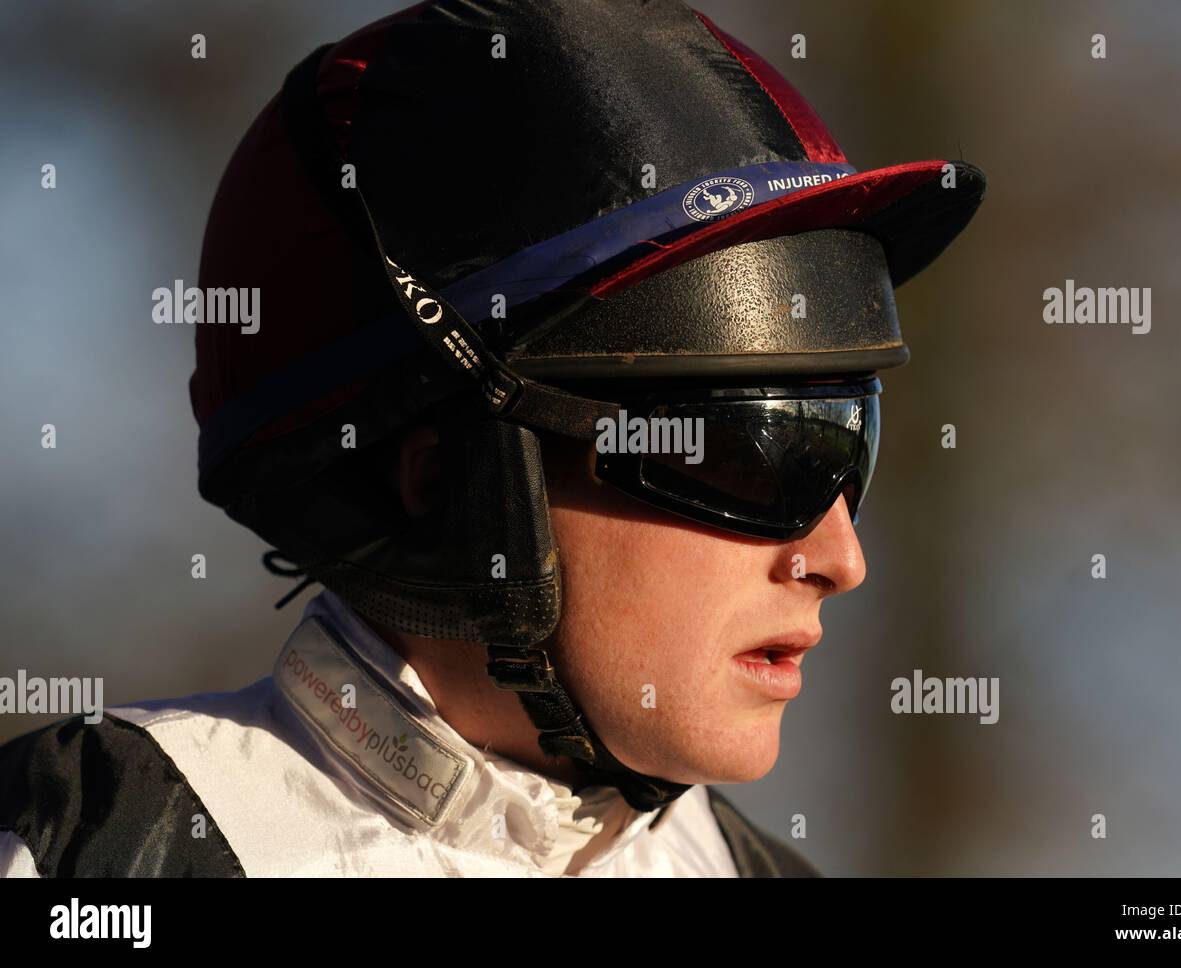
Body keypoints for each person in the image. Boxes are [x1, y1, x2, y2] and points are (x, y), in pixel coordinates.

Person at [0, 0, 984, 877]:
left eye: (844, 445)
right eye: (749, 452)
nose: (837, 557)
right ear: (449, 481)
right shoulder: (100, 842)